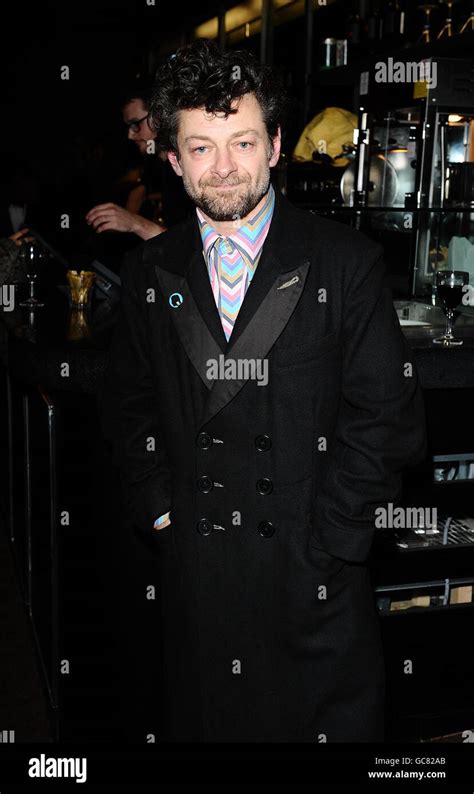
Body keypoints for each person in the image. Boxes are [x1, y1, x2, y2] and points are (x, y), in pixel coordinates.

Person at [103, 39, 426, 742]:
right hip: (200, 580)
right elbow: (129, 404)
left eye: (242, 141)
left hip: (312, 588)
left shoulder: (346, 264)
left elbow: (388, 414)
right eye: (201, 147)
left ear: (276, 145)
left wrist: (333, 544)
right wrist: (159, 509)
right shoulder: (149, 271)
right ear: (172, 158)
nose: (224, 167)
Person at [86, 81, 191, 241]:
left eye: (136, 124)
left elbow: (191, 250)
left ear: (159, 116)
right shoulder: (160, 169)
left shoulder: (189, 168)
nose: (130, 135)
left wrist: (135, 223)